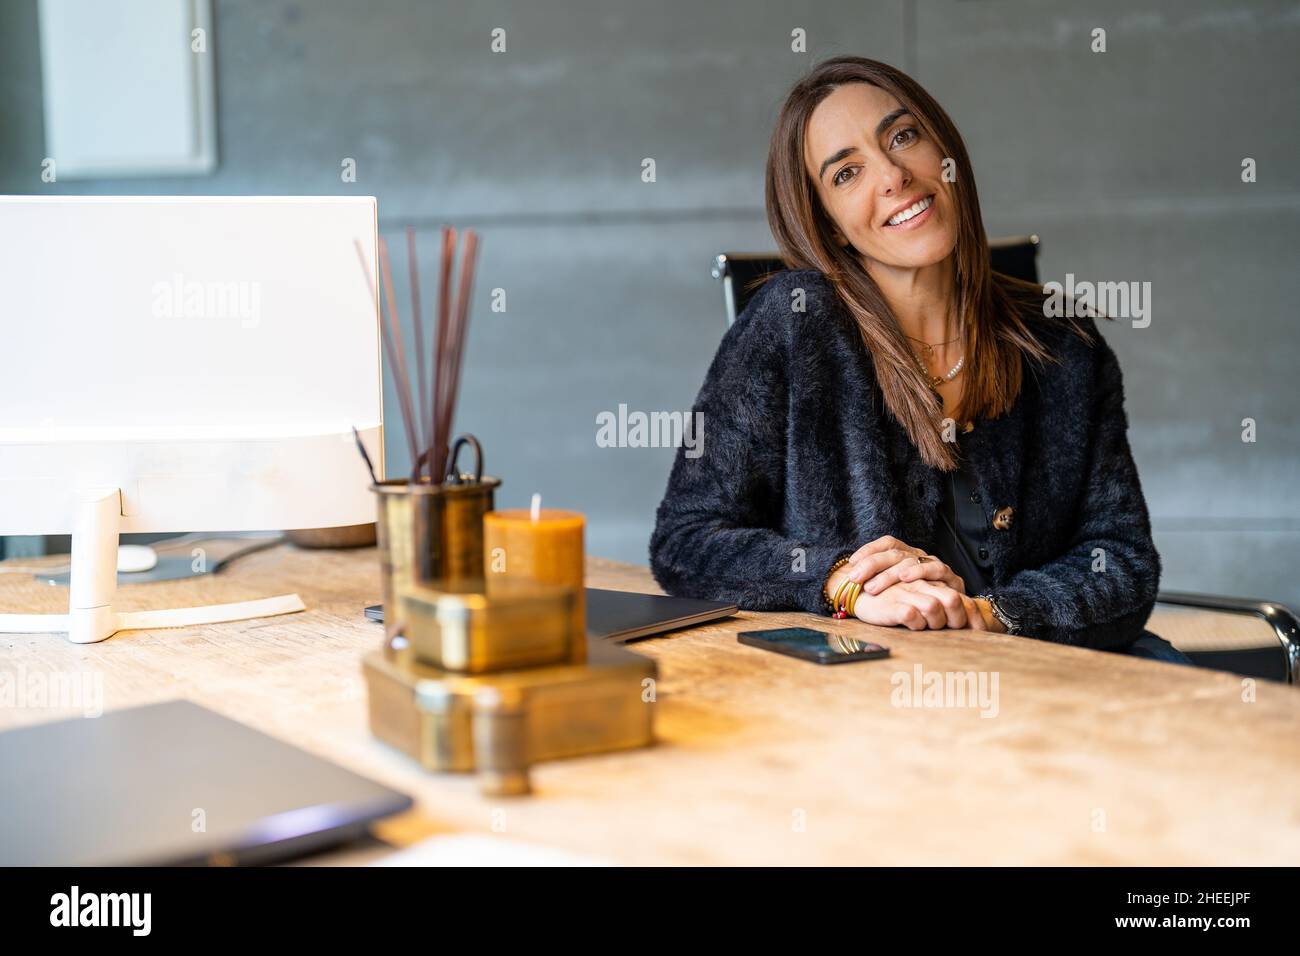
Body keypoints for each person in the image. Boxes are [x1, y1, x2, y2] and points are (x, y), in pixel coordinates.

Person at [649, 56, 1190, 664]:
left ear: (945, 150)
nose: (892, 176)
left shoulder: (1063, 341)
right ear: (827, 225)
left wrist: (993, 616)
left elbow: (1120, 558)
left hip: (1052, 671)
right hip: (873, 697)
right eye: (847, 172)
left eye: (903, 137)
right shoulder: (791, 323)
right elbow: (687, 541)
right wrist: (841, 583)